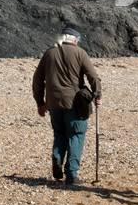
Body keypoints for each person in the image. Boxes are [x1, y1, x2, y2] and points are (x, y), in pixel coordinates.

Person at [32, 25, 101, 186]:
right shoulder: (80, 53)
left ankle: (57, 158)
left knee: (60, 133)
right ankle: (71, 174)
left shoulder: (49, 53)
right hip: (75, 103)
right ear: (75, 40)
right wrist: (98, 94)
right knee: (76, 135)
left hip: (53, 103)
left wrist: (40, 103)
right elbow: (93, 77)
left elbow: (37, 80)